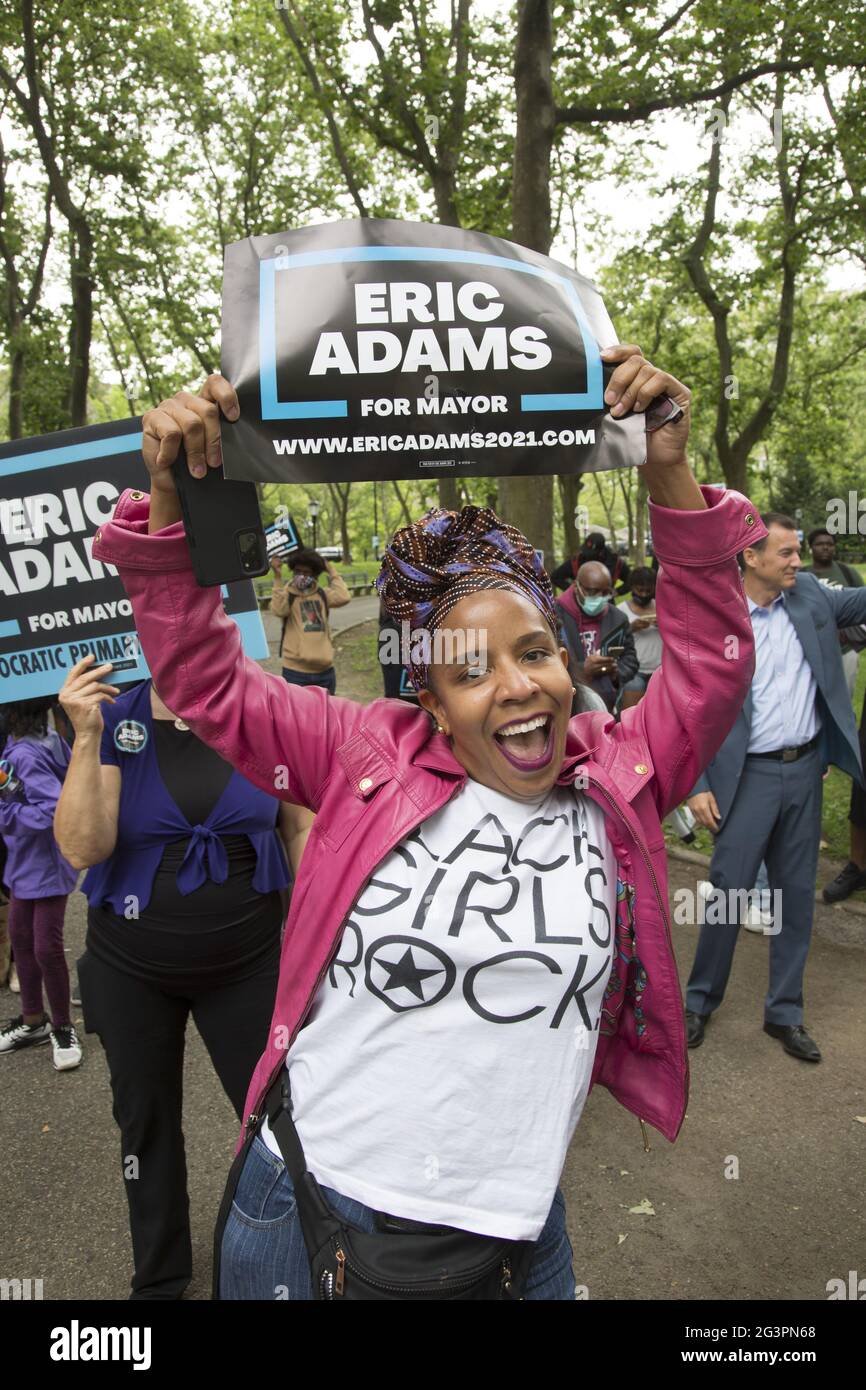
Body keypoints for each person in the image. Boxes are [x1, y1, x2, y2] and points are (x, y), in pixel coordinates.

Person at [91, 342, 760, 1302]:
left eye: (536, 652)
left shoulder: (623, 774)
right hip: (310, 1211)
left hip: (520, 1235)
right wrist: (176, 496)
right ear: (433, 704)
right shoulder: (364, 753)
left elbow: (712, 663)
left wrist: (666, 465)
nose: (520, 687)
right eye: (473, 671)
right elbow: (203, 679)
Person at [53, 669, 314, 1300]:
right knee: (146, 1124)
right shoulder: (116, 719)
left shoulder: (264, 711)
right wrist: (85, 738)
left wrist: (317, 942)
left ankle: (296, 1258)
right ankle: (162, 1277)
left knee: (277, 1126)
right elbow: (82, 849)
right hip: (132, 968)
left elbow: (300, 827)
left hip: (248, 964)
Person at [684, 513, 866, 1062]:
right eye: (786, 553)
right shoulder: (716, 617)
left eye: (797, 553)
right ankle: (699, 1001)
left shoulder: (811, 594)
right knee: (728, 891)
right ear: (750, 558)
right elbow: (684, 704)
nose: (799, 562)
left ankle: (784, 1013)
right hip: (746, 776)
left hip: (807, 770)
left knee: (796, 896)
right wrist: (694, 783)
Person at [0, 697, 81, 1069]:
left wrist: (11, 814)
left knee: (46, 947)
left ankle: (62, 1025)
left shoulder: (27, 754)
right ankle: (33, 1018)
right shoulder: (44, 739)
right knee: (21, 937)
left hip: (44, 866)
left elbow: (53, 806)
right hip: (24, 865)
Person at [555, 561, 638, 712]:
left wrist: (614, 672)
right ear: (576, 586)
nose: (599, 598)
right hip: (569, 703)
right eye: (592, 592)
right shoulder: (555, 616)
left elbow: (631, 661)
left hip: (607, 703)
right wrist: (582, 670)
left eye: (605, 592)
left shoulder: (618, 618)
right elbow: (548, 661)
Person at [270, 547, 350, 694]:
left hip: (325, 672)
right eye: (298, 571)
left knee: (326, 716)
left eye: (306, 572)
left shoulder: (322, 594)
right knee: (296, 716)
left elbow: (344, 597)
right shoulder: (288, 595)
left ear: (314, 574)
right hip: (295, 672)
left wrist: (331, 570)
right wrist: (277, 577)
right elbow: (278, 610)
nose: (301, 575)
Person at [801, 527, 865, 699]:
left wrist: (851, 635)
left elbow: (861, 606)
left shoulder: (847, 572)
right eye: (820, 544)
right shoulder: (801, 576)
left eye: (829, 544)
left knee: (843, 701)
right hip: (808, 652)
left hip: (844, 651)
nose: (825, 547)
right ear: (811, 547)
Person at [618, 567, 662, 710]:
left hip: (660, 669)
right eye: (639, 590)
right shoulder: (621, 610)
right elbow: (614, 640)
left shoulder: (662, 607)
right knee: (632, 710)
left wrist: (664, 625)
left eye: (648, 591)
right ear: (632, 588)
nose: (643, 594)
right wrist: (631, 628)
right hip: (634, 670)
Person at [550, 532, 631, 594]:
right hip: (579, 605)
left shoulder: (616, 563)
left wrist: (617, 592)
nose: (588, 555)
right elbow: (555, 577)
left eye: (592, 553)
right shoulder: (577, 561)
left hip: (606, 605)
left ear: (601, 552)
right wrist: (573, 591)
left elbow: (632, 580)